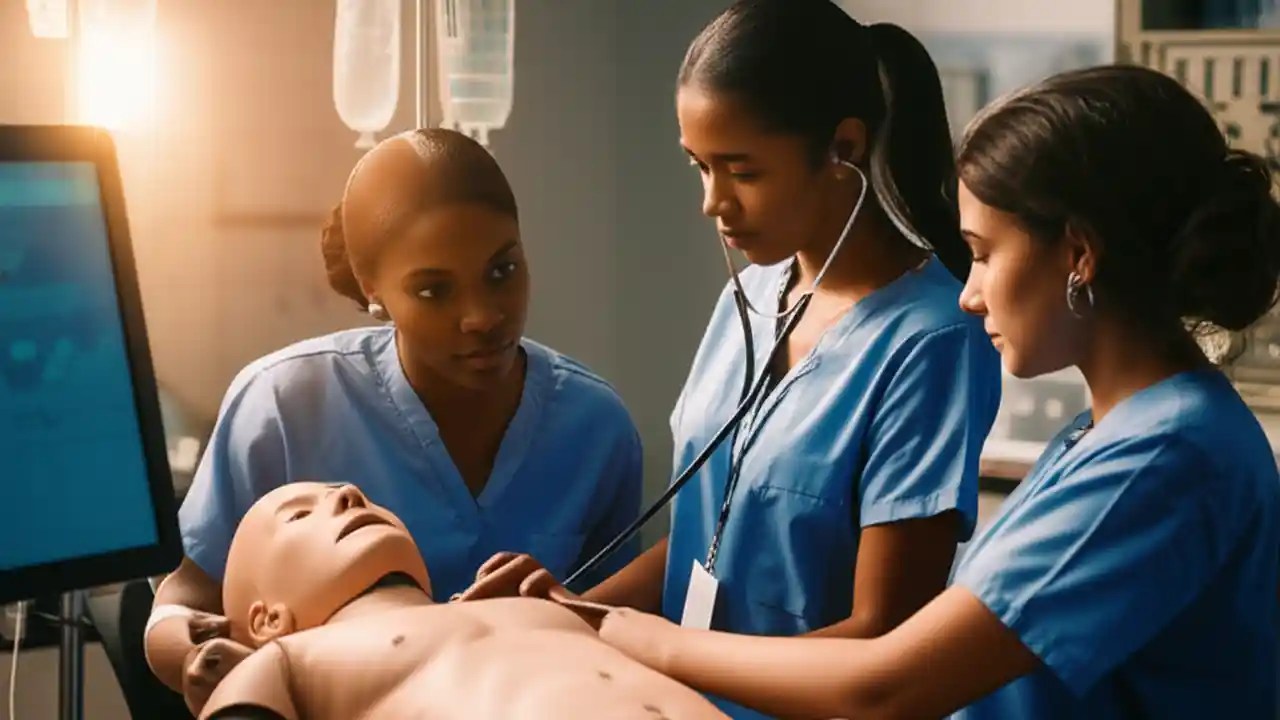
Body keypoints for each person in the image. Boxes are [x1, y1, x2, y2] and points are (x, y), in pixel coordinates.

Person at [574, 64, 1280, 719]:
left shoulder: (1164, 457)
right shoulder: (1108, 435)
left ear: (1078, 254)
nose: (969, 295)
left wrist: (640, 638)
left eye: (983, 254)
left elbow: (887, 686)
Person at [460, 1, 1001, 716]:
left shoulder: (932, 342)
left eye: (741, 171)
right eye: (700, 167)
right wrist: (564, 617)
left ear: (843, 148)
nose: (712, 203)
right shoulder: (748, 297)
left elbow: (884, 636)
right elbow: (706, 541)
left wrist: (640, 646)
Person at [144, 128, 644, 713]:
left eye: (502, 272)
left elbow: (620, 625)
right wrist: (199, 662)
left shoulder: (593, 428)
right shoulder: (286, 406)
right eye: (434, 291)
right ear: (372, 288)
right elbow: (184, 597)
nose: (482, 316)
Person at [197, 482, 726, 720]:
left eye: (356, 493)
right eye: (299, 514)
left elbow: (673, 649)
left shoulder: (544, 606)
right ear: (268, 621)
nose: (349, 495)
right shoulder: (290, 659)